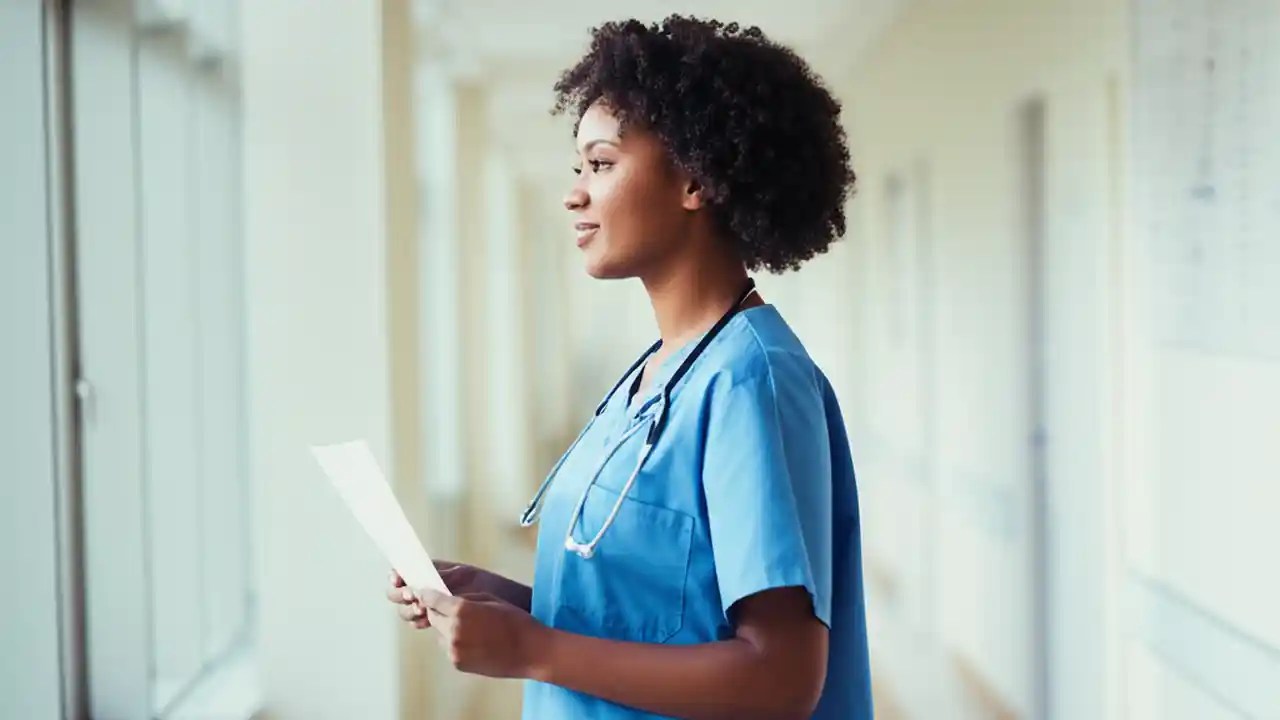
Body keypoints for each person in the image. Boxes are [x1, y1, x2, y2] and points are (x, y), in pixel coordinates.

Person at [386, 15, 871, 719]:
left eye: (603, 164)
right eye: (577, 168)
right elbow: (661, 618)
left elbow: (780, 679)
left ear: (696, 179)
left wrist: (533, 650)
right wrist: (505, 605)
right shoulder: (656, 373)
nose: (574, 193)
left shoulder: (749, 382)